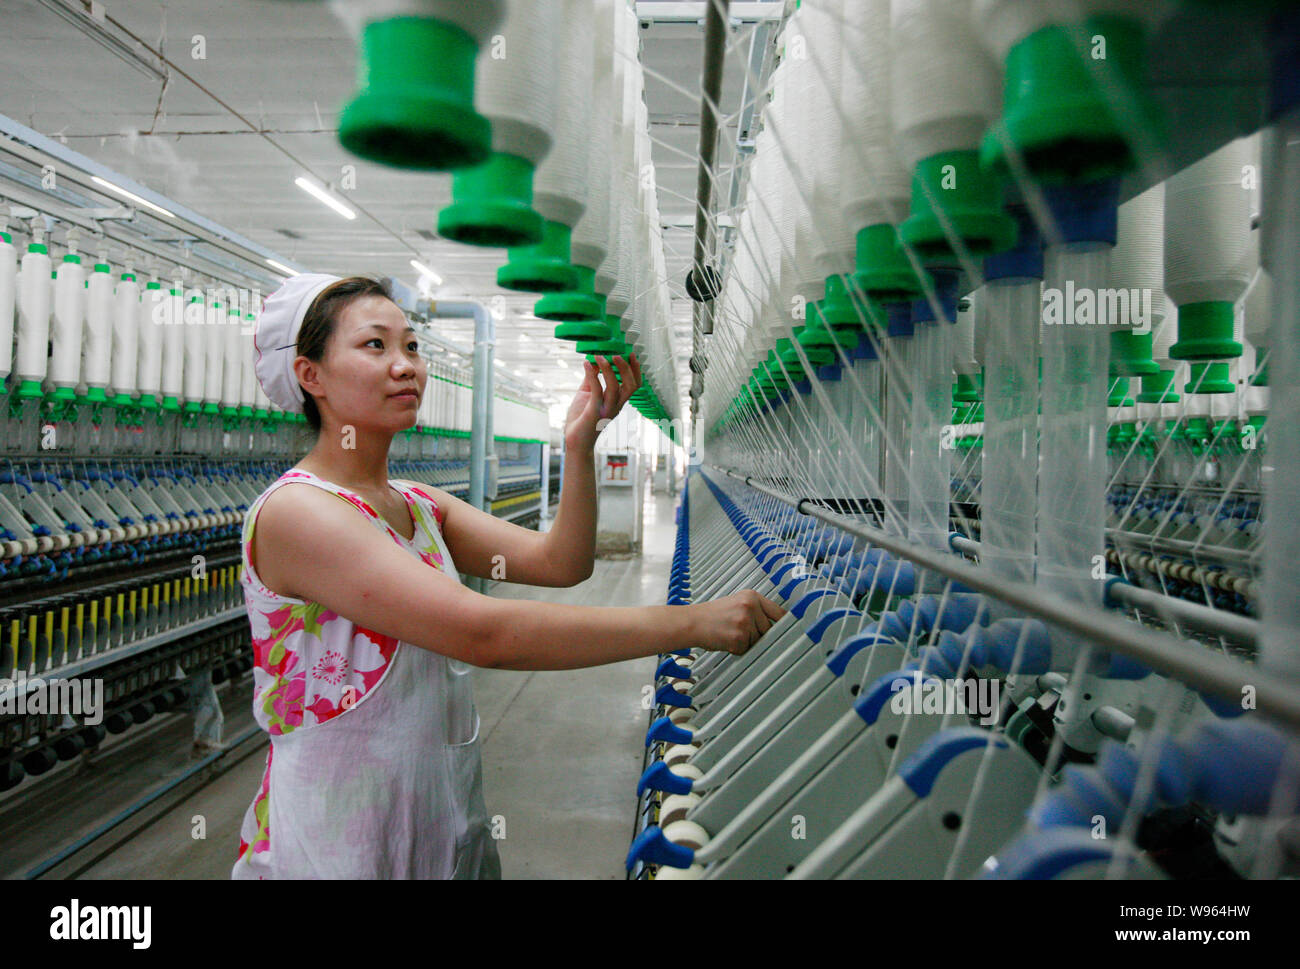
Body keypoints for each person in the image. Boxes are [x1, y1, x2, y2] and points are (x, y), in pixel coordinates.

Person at [231, 274, 784, 879]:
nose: (405, 366)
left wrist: (579, 444)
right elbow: (483, 635)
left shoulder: (419, 506)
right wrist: (690, 623)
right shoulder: (298, 513)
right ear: (310, 375)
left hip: (442, 821)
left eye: (412, 347)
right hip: (337, 840)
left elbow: (561, 564)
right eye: (374, 346)